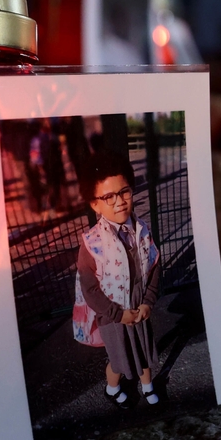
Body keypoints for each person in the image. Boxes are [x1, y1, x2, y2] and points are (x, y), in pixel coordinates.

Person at [71, 150, 162, 409]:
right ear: (95, 204)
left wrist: (148, 302)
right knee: (119, 358)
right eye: (108, 196)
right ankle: (112, 388)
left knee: (143, 349)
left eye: (124, 192)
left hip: (139, 303)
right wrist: (116, 314)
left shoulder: (142, 230)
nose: (119, 201)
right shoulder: (92, 244)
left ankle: (147, 387)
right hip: (112, 313)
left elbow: (155, 266)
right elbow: (90, 289)